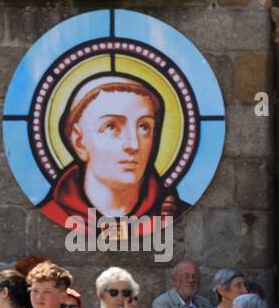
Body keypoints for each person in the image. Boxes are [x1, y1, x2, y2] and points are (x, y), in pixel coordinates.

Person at [38, 76, 186, 232]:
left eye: (144, 127)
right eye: (111, 127)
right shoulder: (51, 217)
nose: (133, 145)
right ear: (79, 142)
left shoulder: (170, 214)